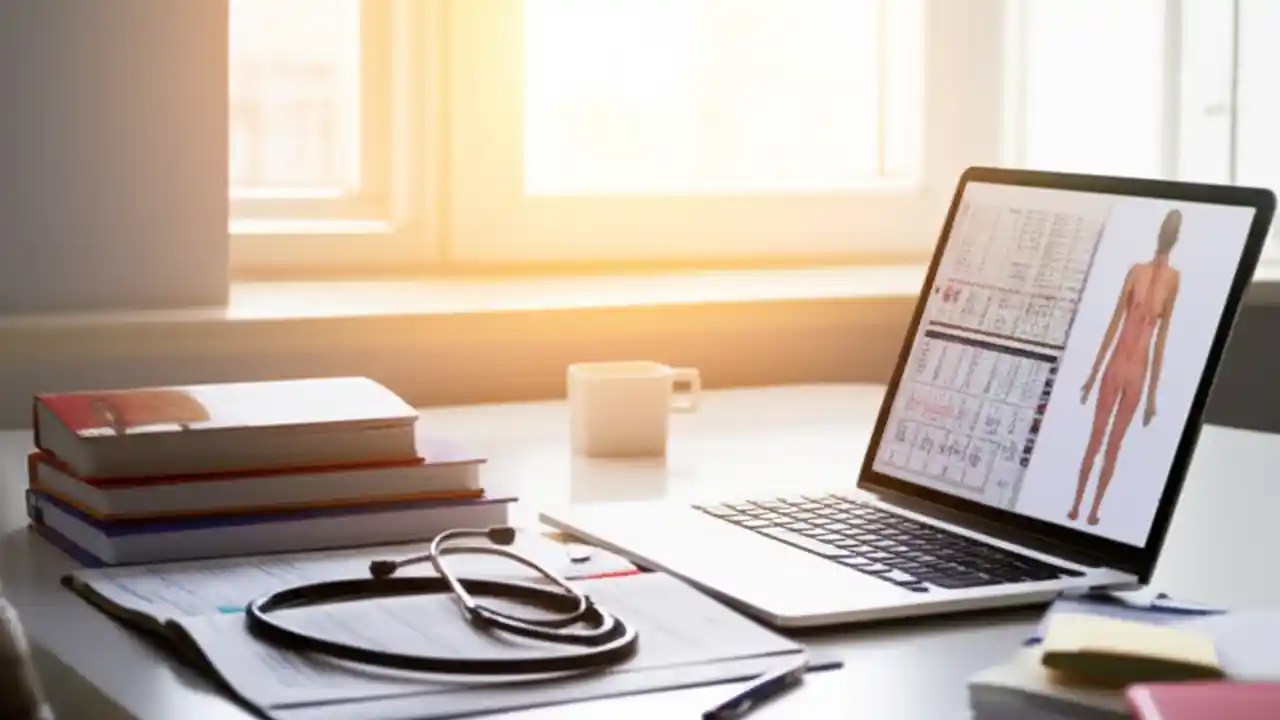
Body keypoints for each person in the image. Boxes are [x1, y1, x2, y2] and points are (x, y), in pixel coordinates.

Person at [1070, 210, 1182, 526]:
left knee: (1112, 444)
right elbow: (1114, 323)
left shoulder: (1173, 280)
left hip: (1135, 372)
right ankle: (1079, 504)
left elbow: (1161, 340)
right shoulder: (1136, 271)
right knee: (1098, 439)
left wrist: (1151, 397)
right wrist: (1092, 376)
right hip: (1119, 365)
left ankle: (1092, 509)